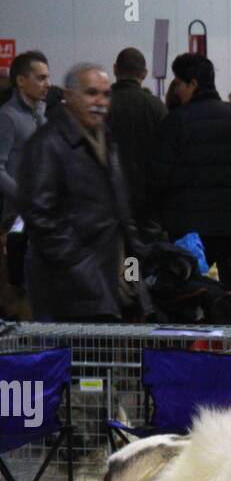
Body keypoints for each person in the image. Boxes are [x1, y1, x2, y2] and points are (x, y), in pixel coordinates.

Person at [16, 62, 144, 322]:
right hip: (73, 286)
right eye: (91, 93)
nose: (100, 101)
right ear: (69, 95)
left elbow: (121, 212)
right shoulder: (47, 145)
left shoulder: (106, 140)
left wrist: (135, 275)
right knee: (79, 356)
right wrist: (81, 266)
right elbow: (40, 216)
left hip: (115, 272)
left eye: (106, 94)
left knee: (115, 351)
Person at [150, 52, 231, 287]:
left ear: (193, 84)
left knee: (190, 293)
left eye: (179, 83)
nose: (177, 89)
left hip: (186, 229)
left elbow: (158, 176)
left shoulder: (176, 122)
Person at [108, 46, 166, 232]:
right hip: (148, 204)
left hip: (109, 202)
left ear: (115, 69)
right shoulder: (157, 107)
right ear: (144, 73)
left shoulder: (101, 105)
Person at [0, 50, 50, 224]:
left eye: (47, 78)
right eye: (41, 78)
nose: (48, 84)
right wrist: (24, 197)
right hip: (17, 218)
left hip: (41, 214)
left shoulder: (41, 115)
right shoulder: (8, 116)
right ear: (21, 81)